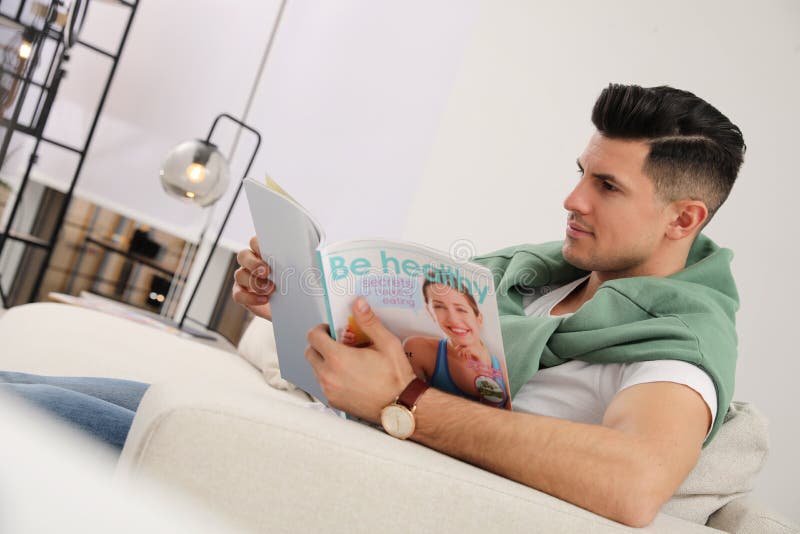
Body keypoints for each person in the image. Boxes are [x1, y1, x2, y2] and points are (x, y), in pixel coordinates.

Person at [233, 83, 745, 527]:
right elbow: (392, 353)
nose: (572, 199)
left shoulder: (674, 349)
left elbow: (634, 483)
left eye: (607, 186)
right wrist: (303, 305)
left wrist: (403, 401)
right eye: (582, 173)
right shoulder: (526, 280)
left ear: (682, 220)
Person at [400, 273, 510, 409]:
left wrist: (484, 373)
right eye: (439, 307)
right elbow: (407, 404)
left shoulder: (501, 366)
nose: (453, 319)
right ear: (430, 312)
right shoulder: (418, 349)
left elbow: (505, 420)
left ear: (479, 319)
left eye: (461, 309)